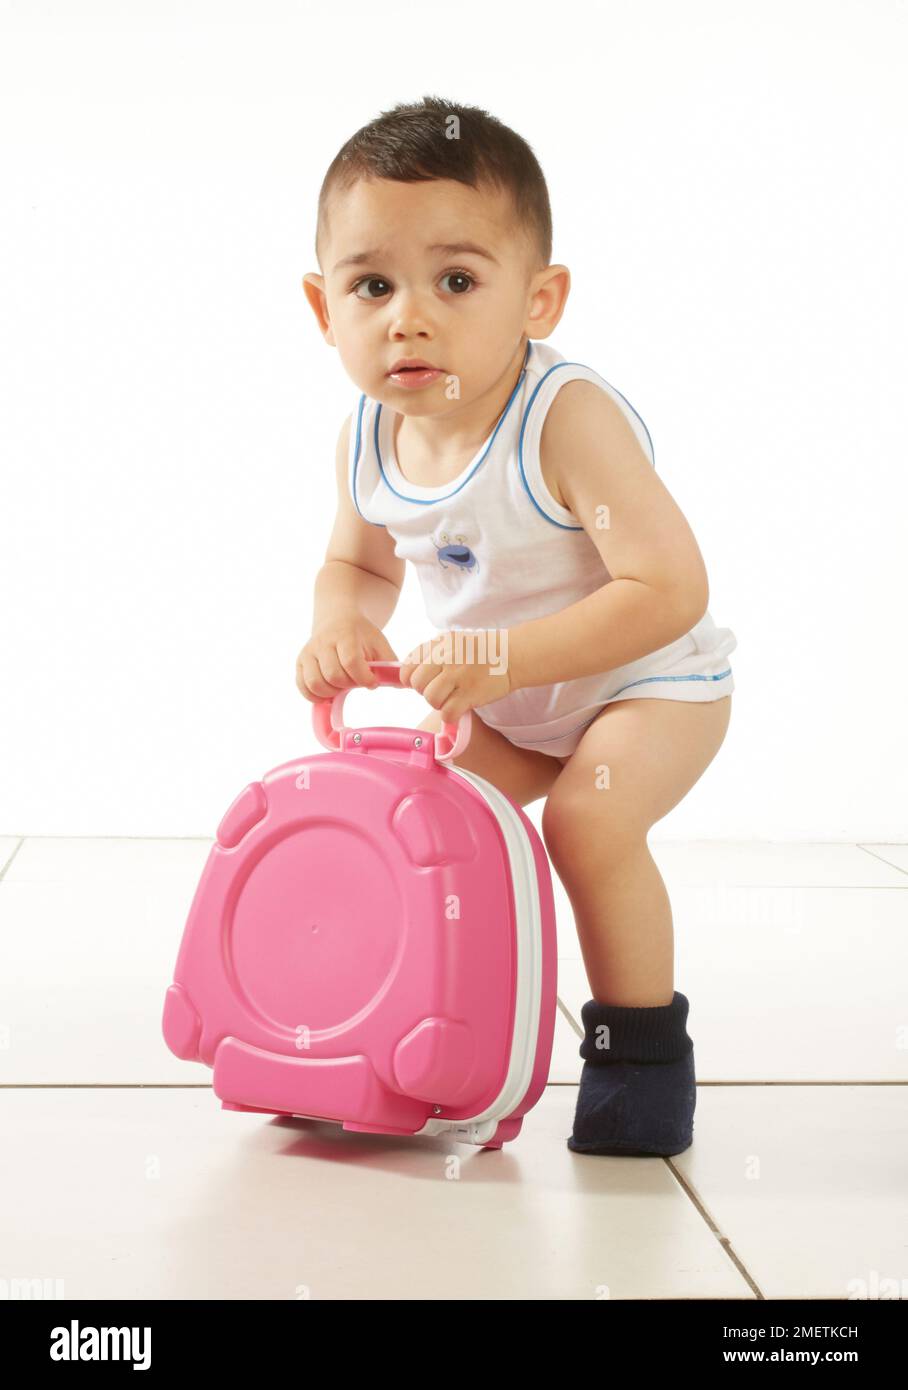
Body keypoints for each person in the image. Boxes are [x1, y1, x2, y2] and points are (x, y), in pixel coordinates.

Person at [296, 95, 736, 1156]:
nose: (408, 316)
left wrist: (504, 656)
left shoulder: (561, 415)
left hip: (644, 686)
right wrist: (336, 624)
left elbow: (666, 587)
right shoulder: (372, 433)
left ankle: (639, 1061)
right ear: (323, 308)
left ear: (538, 299)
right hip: (502, 699)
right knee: (409, 825)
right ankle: (400, 1033)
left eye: (455, 281)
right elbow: (358, 565)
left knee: (583, 823)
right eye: (371, 285)